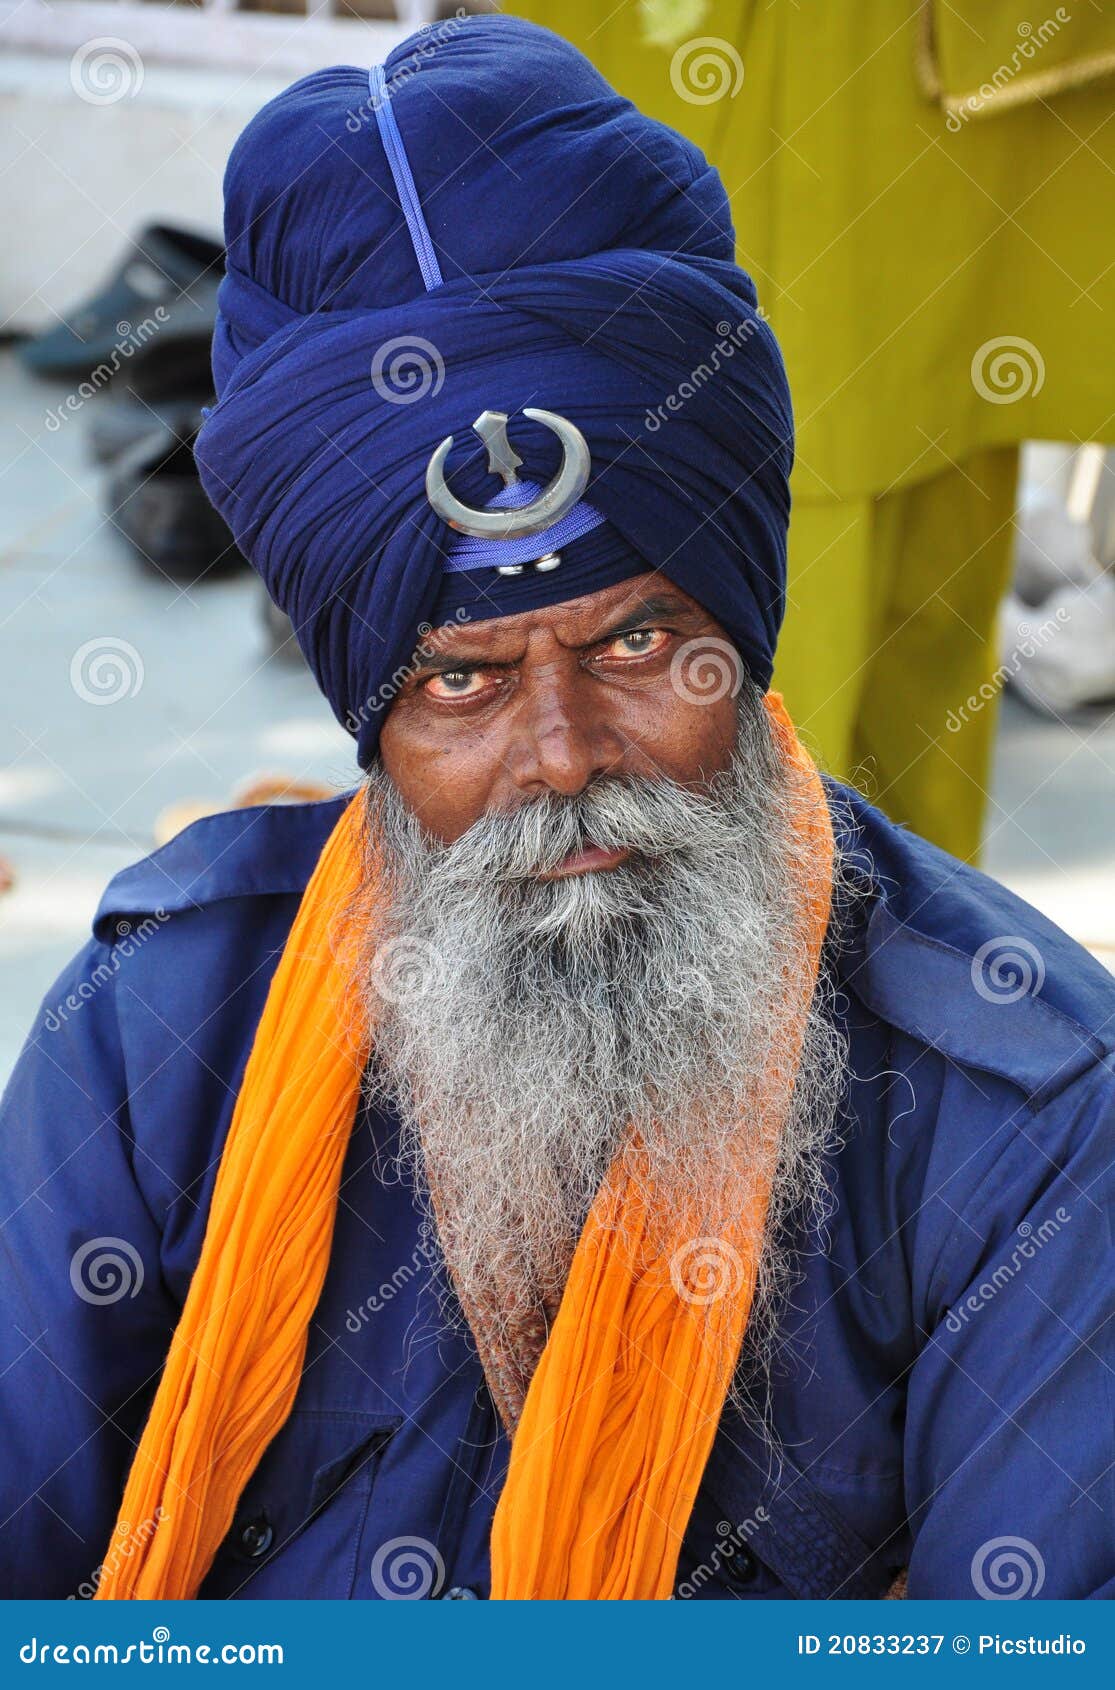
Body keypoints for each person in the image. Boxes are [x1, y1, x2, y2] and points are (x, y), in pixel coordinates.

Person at [1, 16, 1112, 1602]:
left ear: (748, 629)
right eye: (459, 679)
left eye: (643, 641)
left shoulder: (1028, 1124)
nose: (565, 752)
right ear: (368, 719)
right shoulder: (155, 1024)